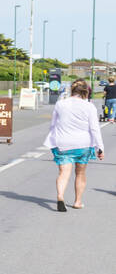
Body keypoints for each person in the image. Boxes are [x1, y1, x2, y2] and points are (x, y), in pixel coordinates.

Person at [44, 78, 104, 211]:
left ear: (72, 90)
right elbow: (94, 128)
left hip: (63, 143)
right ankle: (78, 201)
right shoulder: (89, 107)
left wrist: (53, 139)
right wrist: (100, 147)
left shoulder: (60, 104)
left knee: (63, 173)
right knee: (80, 173)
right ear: (85, 92)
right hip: (83, 144)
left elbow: (53, 124)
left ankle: (60, 196)